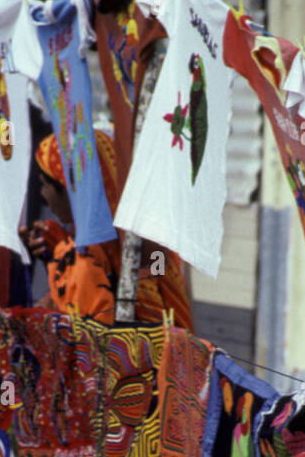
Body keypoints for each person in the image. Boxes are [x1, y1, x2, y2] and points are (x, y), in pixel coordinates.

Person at [21, 130, 193, 328]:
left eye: (45, 186)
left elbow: (85, 333)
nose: (43, 195)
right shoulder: (143, 226)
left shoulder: (146, 241)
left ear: (71, 189)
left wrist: (68, 254)